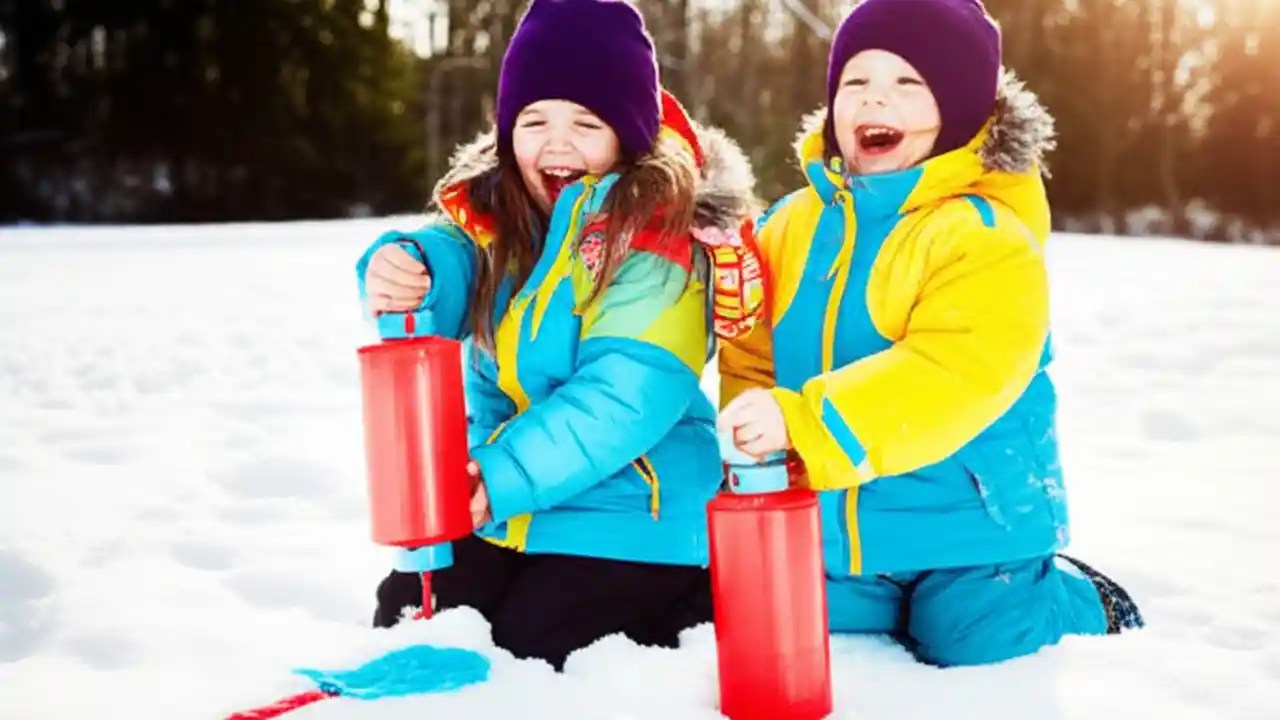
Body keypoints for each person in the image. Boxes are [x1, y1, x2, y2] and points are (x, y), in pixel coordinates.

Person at [717, 0, 1144, 668]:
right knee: (807, 618)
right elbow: (752, 346)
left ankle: (1075, 598)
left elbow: (953, 373)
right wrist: (752, 432)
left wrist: (802, 421)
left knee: (969, 635)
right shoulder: (791, 225)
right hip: (843, 519)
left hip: (973, 521)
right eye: (855, 83)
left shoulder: (982, 235)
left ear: (962, 110)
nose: (873, 99)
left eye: (906, 84)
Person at [356, 0, 757, 672]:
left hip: (634, 518)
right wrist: (408, 265)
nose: (557, 142)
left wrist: (499, 473)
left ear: (629, 136)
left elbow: (622, 398)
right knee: (413, 610)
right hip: (509, 503)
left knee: (531, 651)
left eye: (586, 122)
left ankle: (687, 599)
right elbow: (459, 259)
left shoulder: (661, 240)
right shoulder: (506, 222)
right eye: (534, 120)